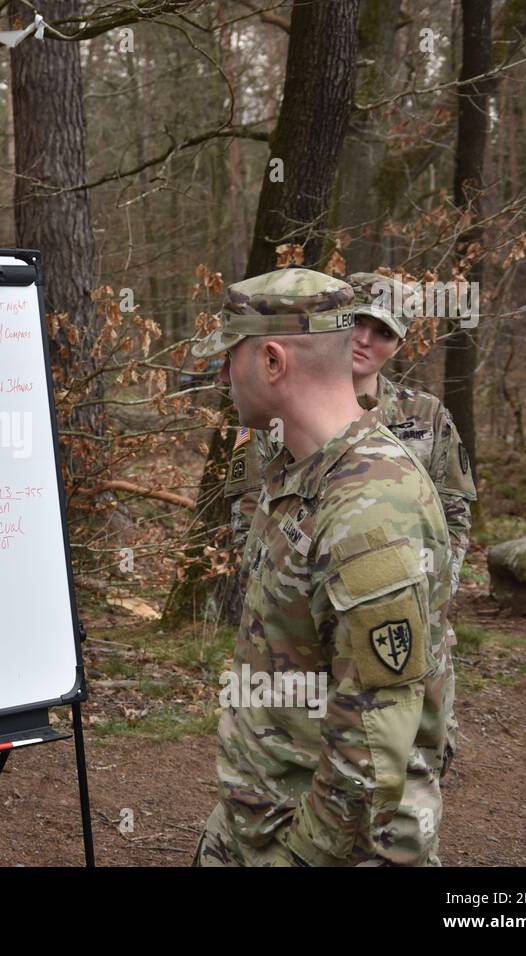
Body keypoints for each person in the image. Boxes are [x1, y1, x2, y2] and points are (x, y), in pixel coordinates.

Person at [191, 268, 452, 866]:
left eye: (232, 356)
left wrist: (297, 857)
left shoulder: (370, 509)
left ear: (273, 361)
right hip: (266, 810)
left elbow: (371, 749)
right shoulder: (297, 471)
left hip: (320, 844)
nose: (224, 375)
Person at [223, 272, 475, 773]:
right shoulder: (275, 414)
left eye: (382, 332)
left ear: (399, 342)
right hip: (299, 628)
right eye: (357, 323)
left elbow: (455, 511)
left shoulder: (425, 416)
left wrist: (426, 581)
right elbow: (250, 508)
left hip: (396, 611)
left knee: (389, 752)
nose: (364, 339)